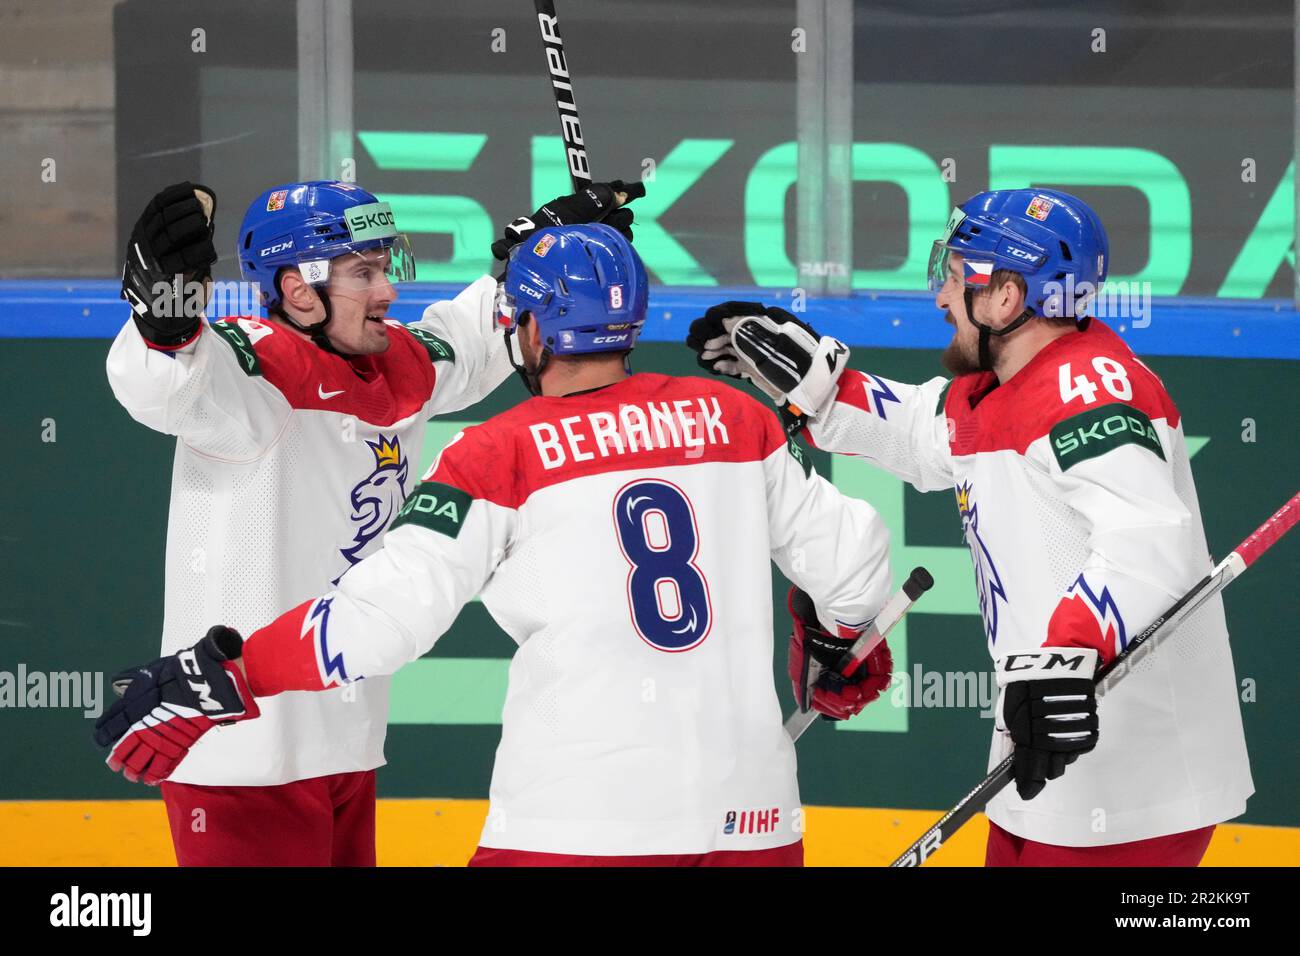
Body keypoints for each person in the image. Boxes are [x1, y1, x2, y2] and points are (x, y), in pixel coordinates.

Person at [95, 223, 896, 867]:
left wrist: (233, 670)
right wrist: (838, 637)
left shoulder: (499, 451)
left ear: (537, 328)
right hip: (754, 822)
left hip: (575, 824)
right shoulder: (736, 419)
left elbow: (385, 613)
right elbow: (854, 558)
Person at [685, 189, 1254, 867]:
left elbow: (1146, 540)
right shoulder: (1011, 385)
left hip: (1130, 772)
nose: (940, 298)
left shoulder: (1090, 392)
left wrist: (1062, 661)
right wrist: (819, 390)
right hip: (1052, 743)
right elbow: (927, 433)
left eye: (954, 277)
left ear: (1006, 297)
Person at [105, 178, 642, 866]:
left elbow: (471, 341)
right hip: (240, 749)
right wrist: (163, 323)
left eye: (386, 266)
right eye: (365, 272)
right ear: (299, 289)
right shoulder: (251, 369)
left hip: (345, 739)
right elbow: (170, 383)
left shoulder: (397, 365)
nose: (387, 289)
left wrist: (545, 252)